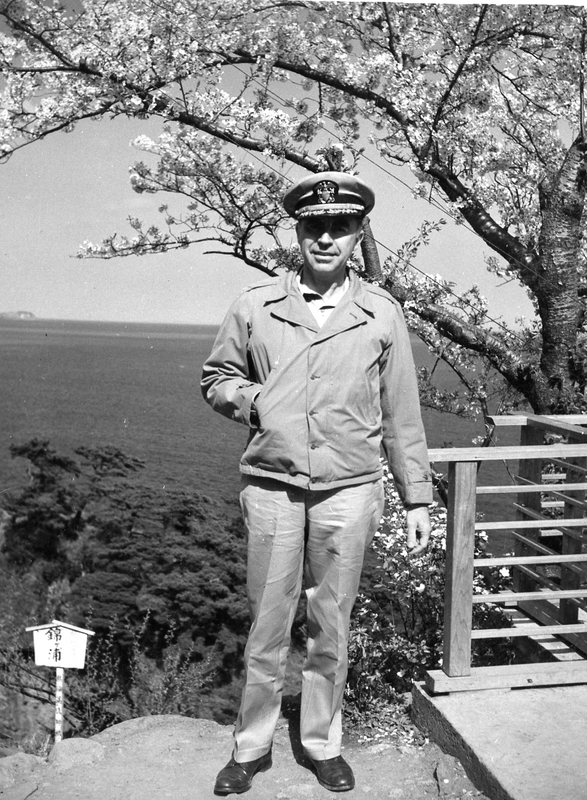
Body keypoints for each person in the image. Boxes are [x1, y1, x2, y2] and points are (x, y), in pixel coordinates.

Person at [201, 172, 432, 795]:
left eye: (341, 227)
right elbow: (217, 376)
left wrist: (417, 496)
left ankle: (321, 742)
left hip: (350, 489)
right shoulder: (255, 306)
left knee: (330, 623)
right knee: (268, 623)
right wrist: (255, 404)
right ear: (297, 232)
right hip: (273, 487)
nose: (326, 237)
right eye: (314, 227)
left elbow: (401, 411)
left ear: (359, 234)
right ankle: (250, 748)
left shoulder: (381, 314)